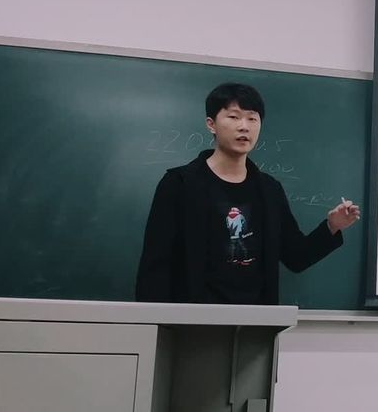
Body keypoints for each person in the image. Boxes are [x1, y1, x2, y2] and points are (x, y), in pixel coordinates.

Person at [135, 82, 360, 304]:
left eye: (252, 119)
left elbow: (296, 257)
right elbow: (155, 267)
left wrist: (332, 226)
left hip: (257, 320)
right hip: (193, 318)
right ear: (211, 124)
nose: (244, 127)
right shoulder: (180, 184)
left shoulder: (269, 190)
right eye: (234, 117)